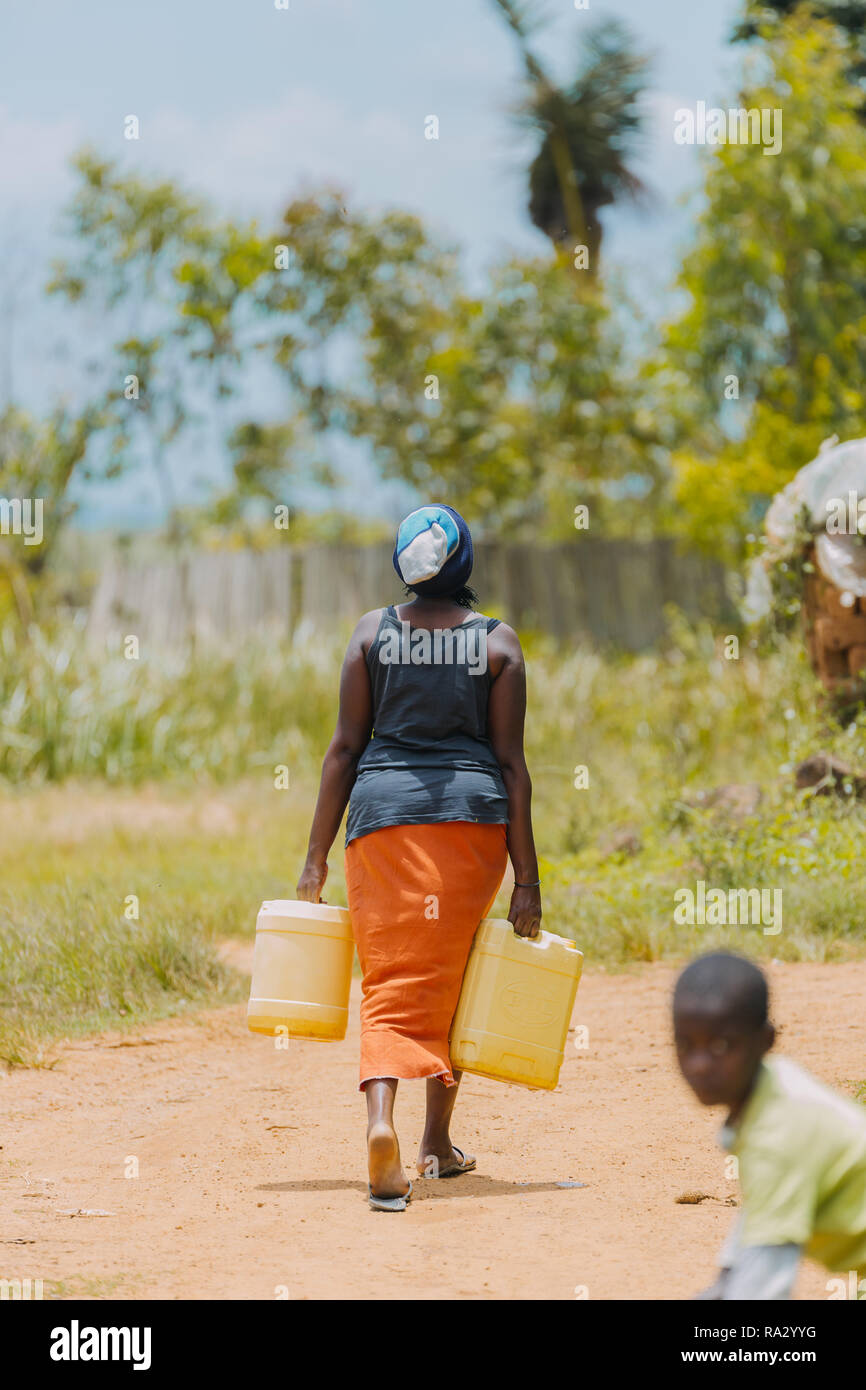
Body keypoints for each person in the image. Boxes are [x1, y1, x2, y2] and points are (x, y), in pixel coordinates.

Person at [297, 504, 542, 1211]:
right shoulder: (497, 646)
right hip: (471, 829)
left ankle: (383, 1127)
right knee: (454, 977)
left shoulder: (371, 634)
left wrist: (315, 857)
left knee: (389, 979)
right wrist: (527, 880)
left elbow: (343, 748)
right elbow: (512, 766)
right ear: (464, 564)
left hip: (382, 824)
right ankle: (437, 1140)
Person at [673, 951, 866, 1299]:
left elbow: (762, 1290)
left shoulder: (777, 1138)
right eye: (685, 1045)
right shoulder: (773, 1086)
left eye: (720, 1046)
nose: (699, 1065)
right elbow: (760, 1211)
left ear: (765, 1041)